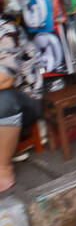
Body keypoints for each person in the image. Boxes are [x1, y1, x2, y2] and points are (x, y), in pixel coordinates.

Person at [0, 18, 44, 193]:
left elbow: (5, 79)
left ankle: (3, 169)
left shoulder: (6, 31)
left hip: (26, 100)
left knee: (4, 101)